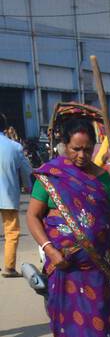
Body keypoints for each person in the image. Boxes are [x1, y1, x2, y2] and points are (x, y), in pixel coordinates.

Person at [25, 118, 110, 337]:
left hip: (96, 264)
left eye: (87, 149)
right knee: (66, 317)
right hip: (63, 263)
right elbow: (33, 216)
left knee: (98, 317)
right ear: (64, 145)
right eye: (75, 149)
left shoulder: (103, 179)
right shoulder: (51, 175)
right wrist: (50, 249)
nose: (81, 155)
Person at [0, 111, 32, 278]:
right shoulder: (15, 147)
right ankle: (9, 267)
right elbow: (27, 172)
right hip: (7, 197)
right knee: (11, 231)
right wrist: (29, 188)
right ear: (5, 128)